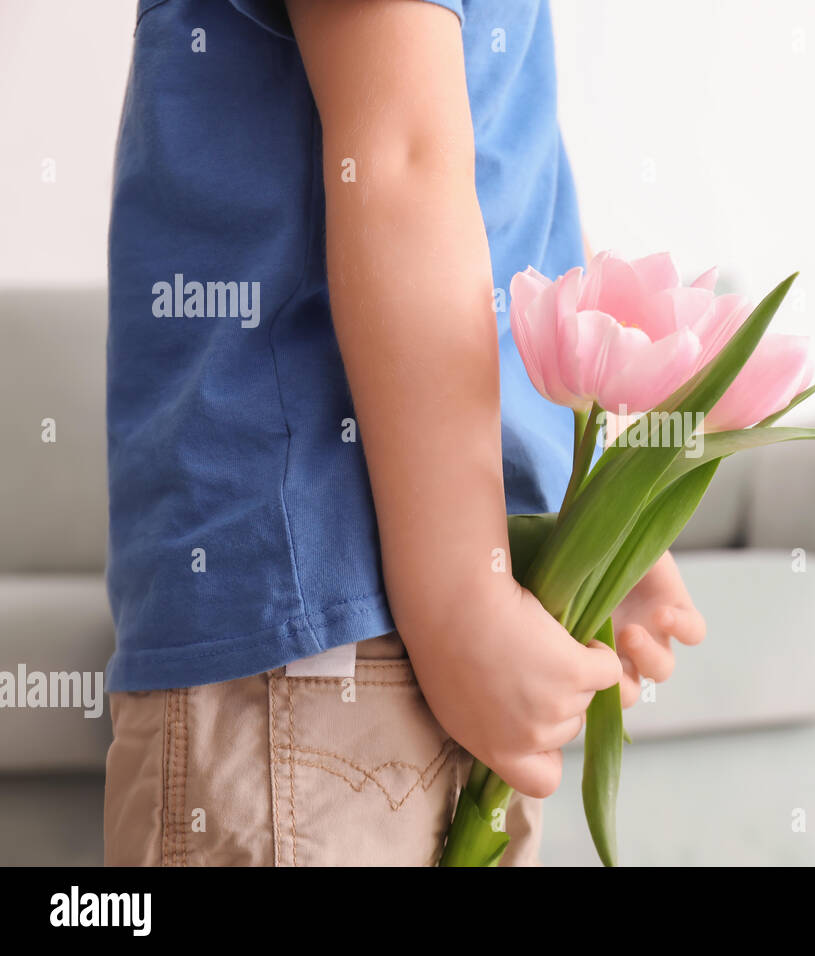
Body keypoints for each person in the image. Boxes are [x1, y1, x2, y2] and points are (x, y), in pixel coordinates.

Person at [103, 0, 705, 866]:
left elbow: (492, 199)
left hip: (410, 631)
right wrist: (462, 600)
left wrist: (585, 524)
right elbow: (397, 166)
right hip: (326, 639)